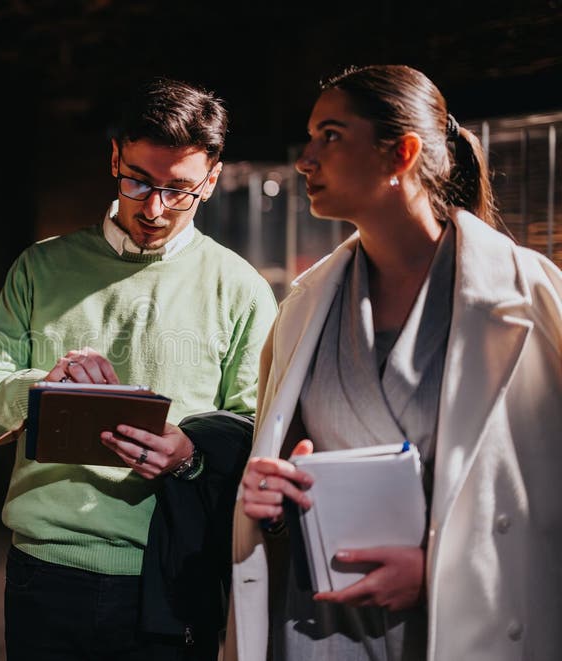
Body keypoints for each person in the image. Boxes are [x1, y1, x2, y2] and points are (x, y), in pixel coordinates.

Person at [224, 64, 562, 661]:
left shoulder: (530, 298)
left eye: (330, 135)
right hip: (321, 626)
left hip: (464, 623)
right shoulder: (305, 307)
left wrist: (439, 573)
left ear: (399, 154)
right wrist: (267, 501)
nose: (305, 158)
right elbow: (285, 466)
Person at [0, 77, 277, 660]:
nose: (153, 209)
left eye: (178, 190)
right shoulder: (41, 267)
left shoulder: (242, 290)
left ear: (211, 178)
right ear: (113, 157)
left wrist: (192, 453)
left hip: (171, 568)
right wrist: (41, 385)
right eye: (137, 181)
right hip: (44, 570)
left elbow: (259, 428)